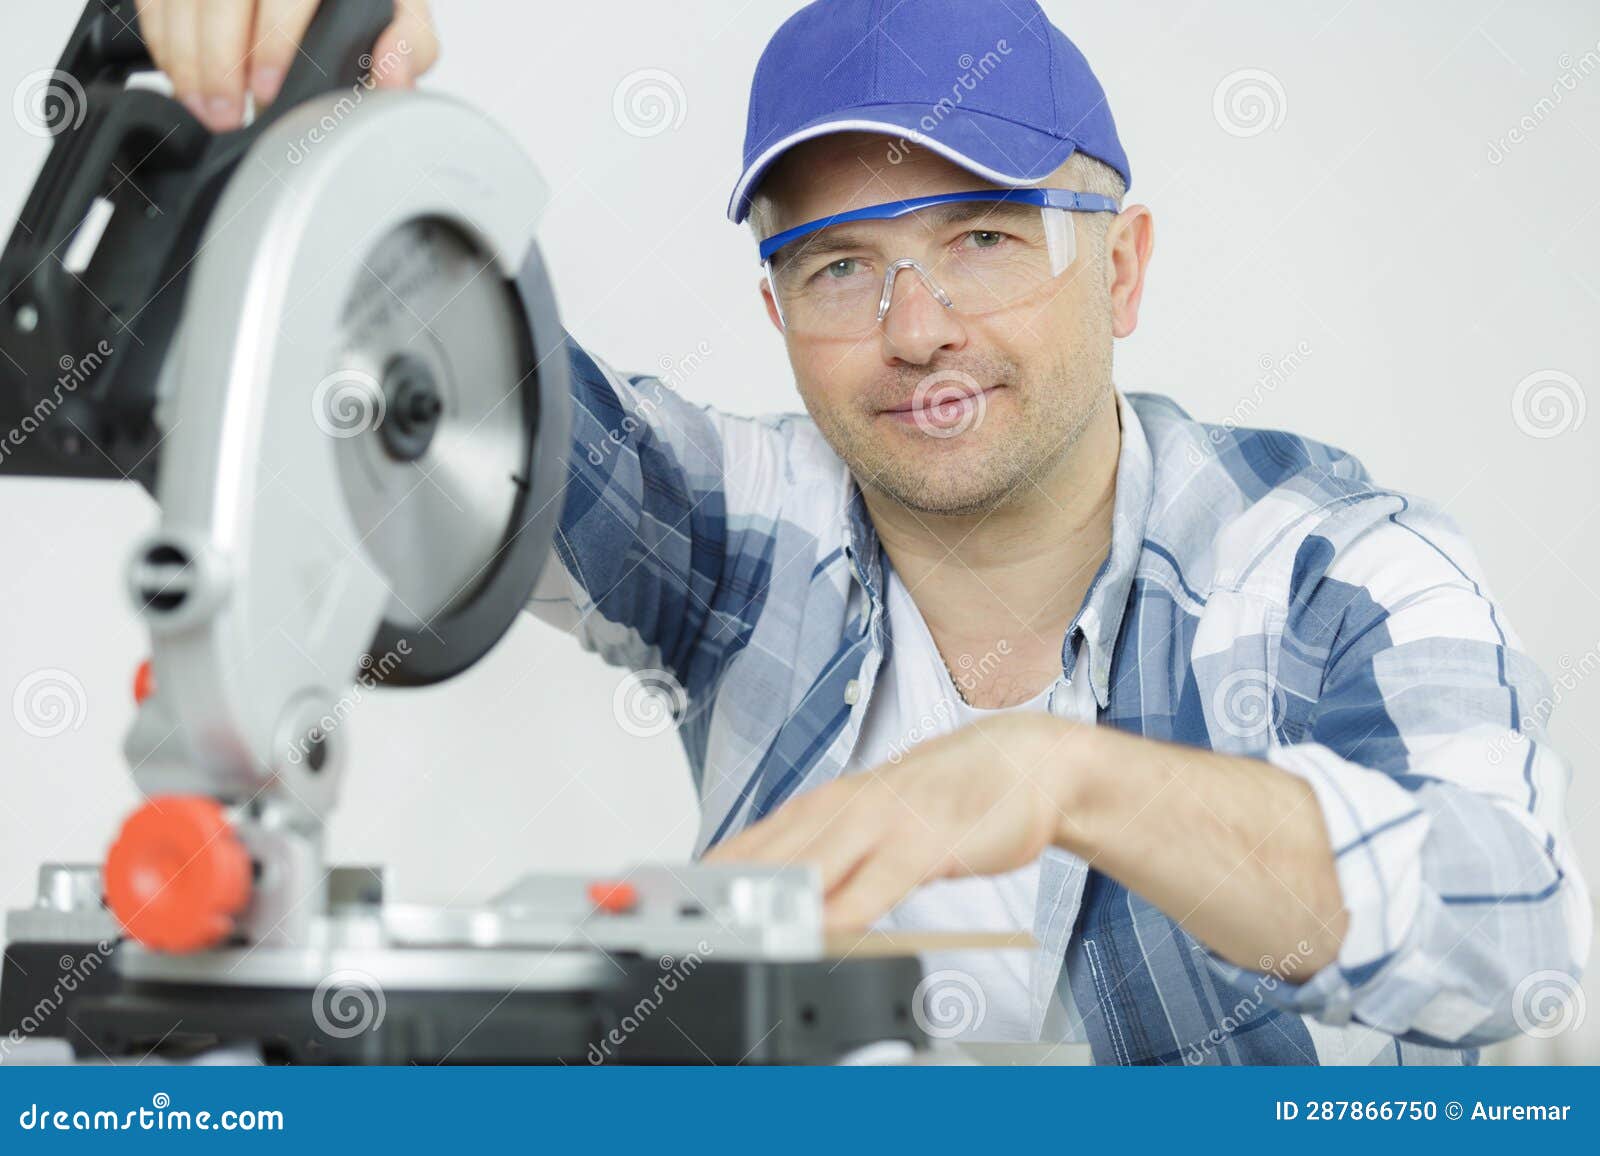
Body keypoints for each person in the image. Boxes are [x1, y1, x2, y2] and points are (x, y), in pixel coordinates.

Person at [132, 0, 1588, 1063]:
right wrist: (297, 114)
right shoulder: (744, 534)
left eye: (983, 237)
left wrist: (1067, 779)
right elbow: (436, 396)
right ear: (774, 313)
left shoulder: (1336, 572)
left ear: (1123, 266)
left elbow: (1515, 941)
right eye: (839, 268)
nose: (915, 330)